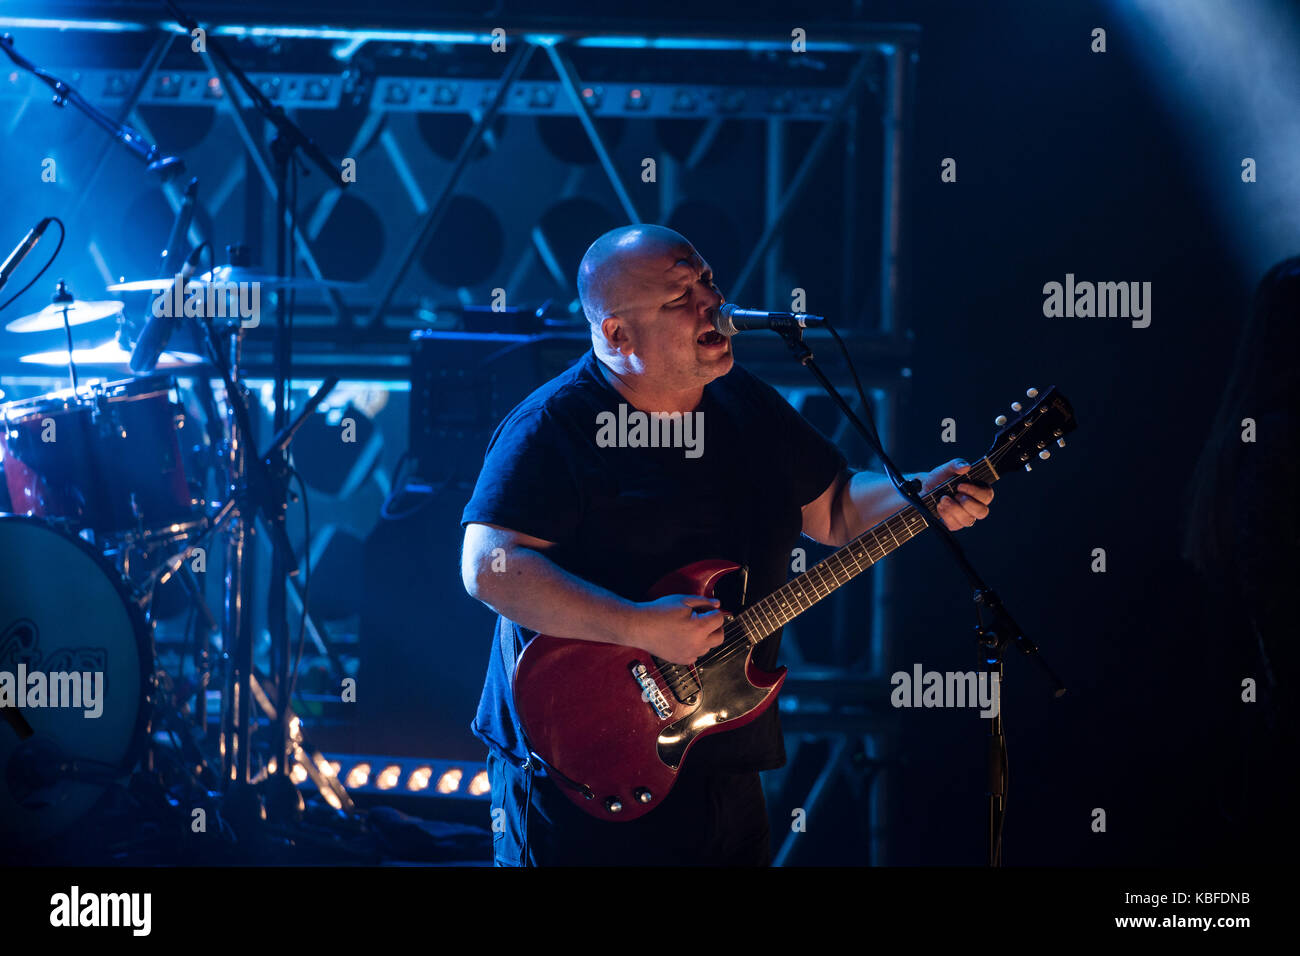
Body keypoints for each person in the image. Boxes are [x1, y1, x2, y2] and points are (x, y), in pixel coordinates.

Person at [460, 224, 994, 866]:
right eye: (677, 297)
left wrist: (922, 495)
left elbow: (835, 509)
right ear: (617, 337)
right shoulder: (554, 428)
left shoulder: (744, 404)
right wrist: (637, 625)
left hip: (721, 757)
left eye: (707, 280)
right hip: (583, 761)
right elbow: (490, 570)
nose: (709, 303)